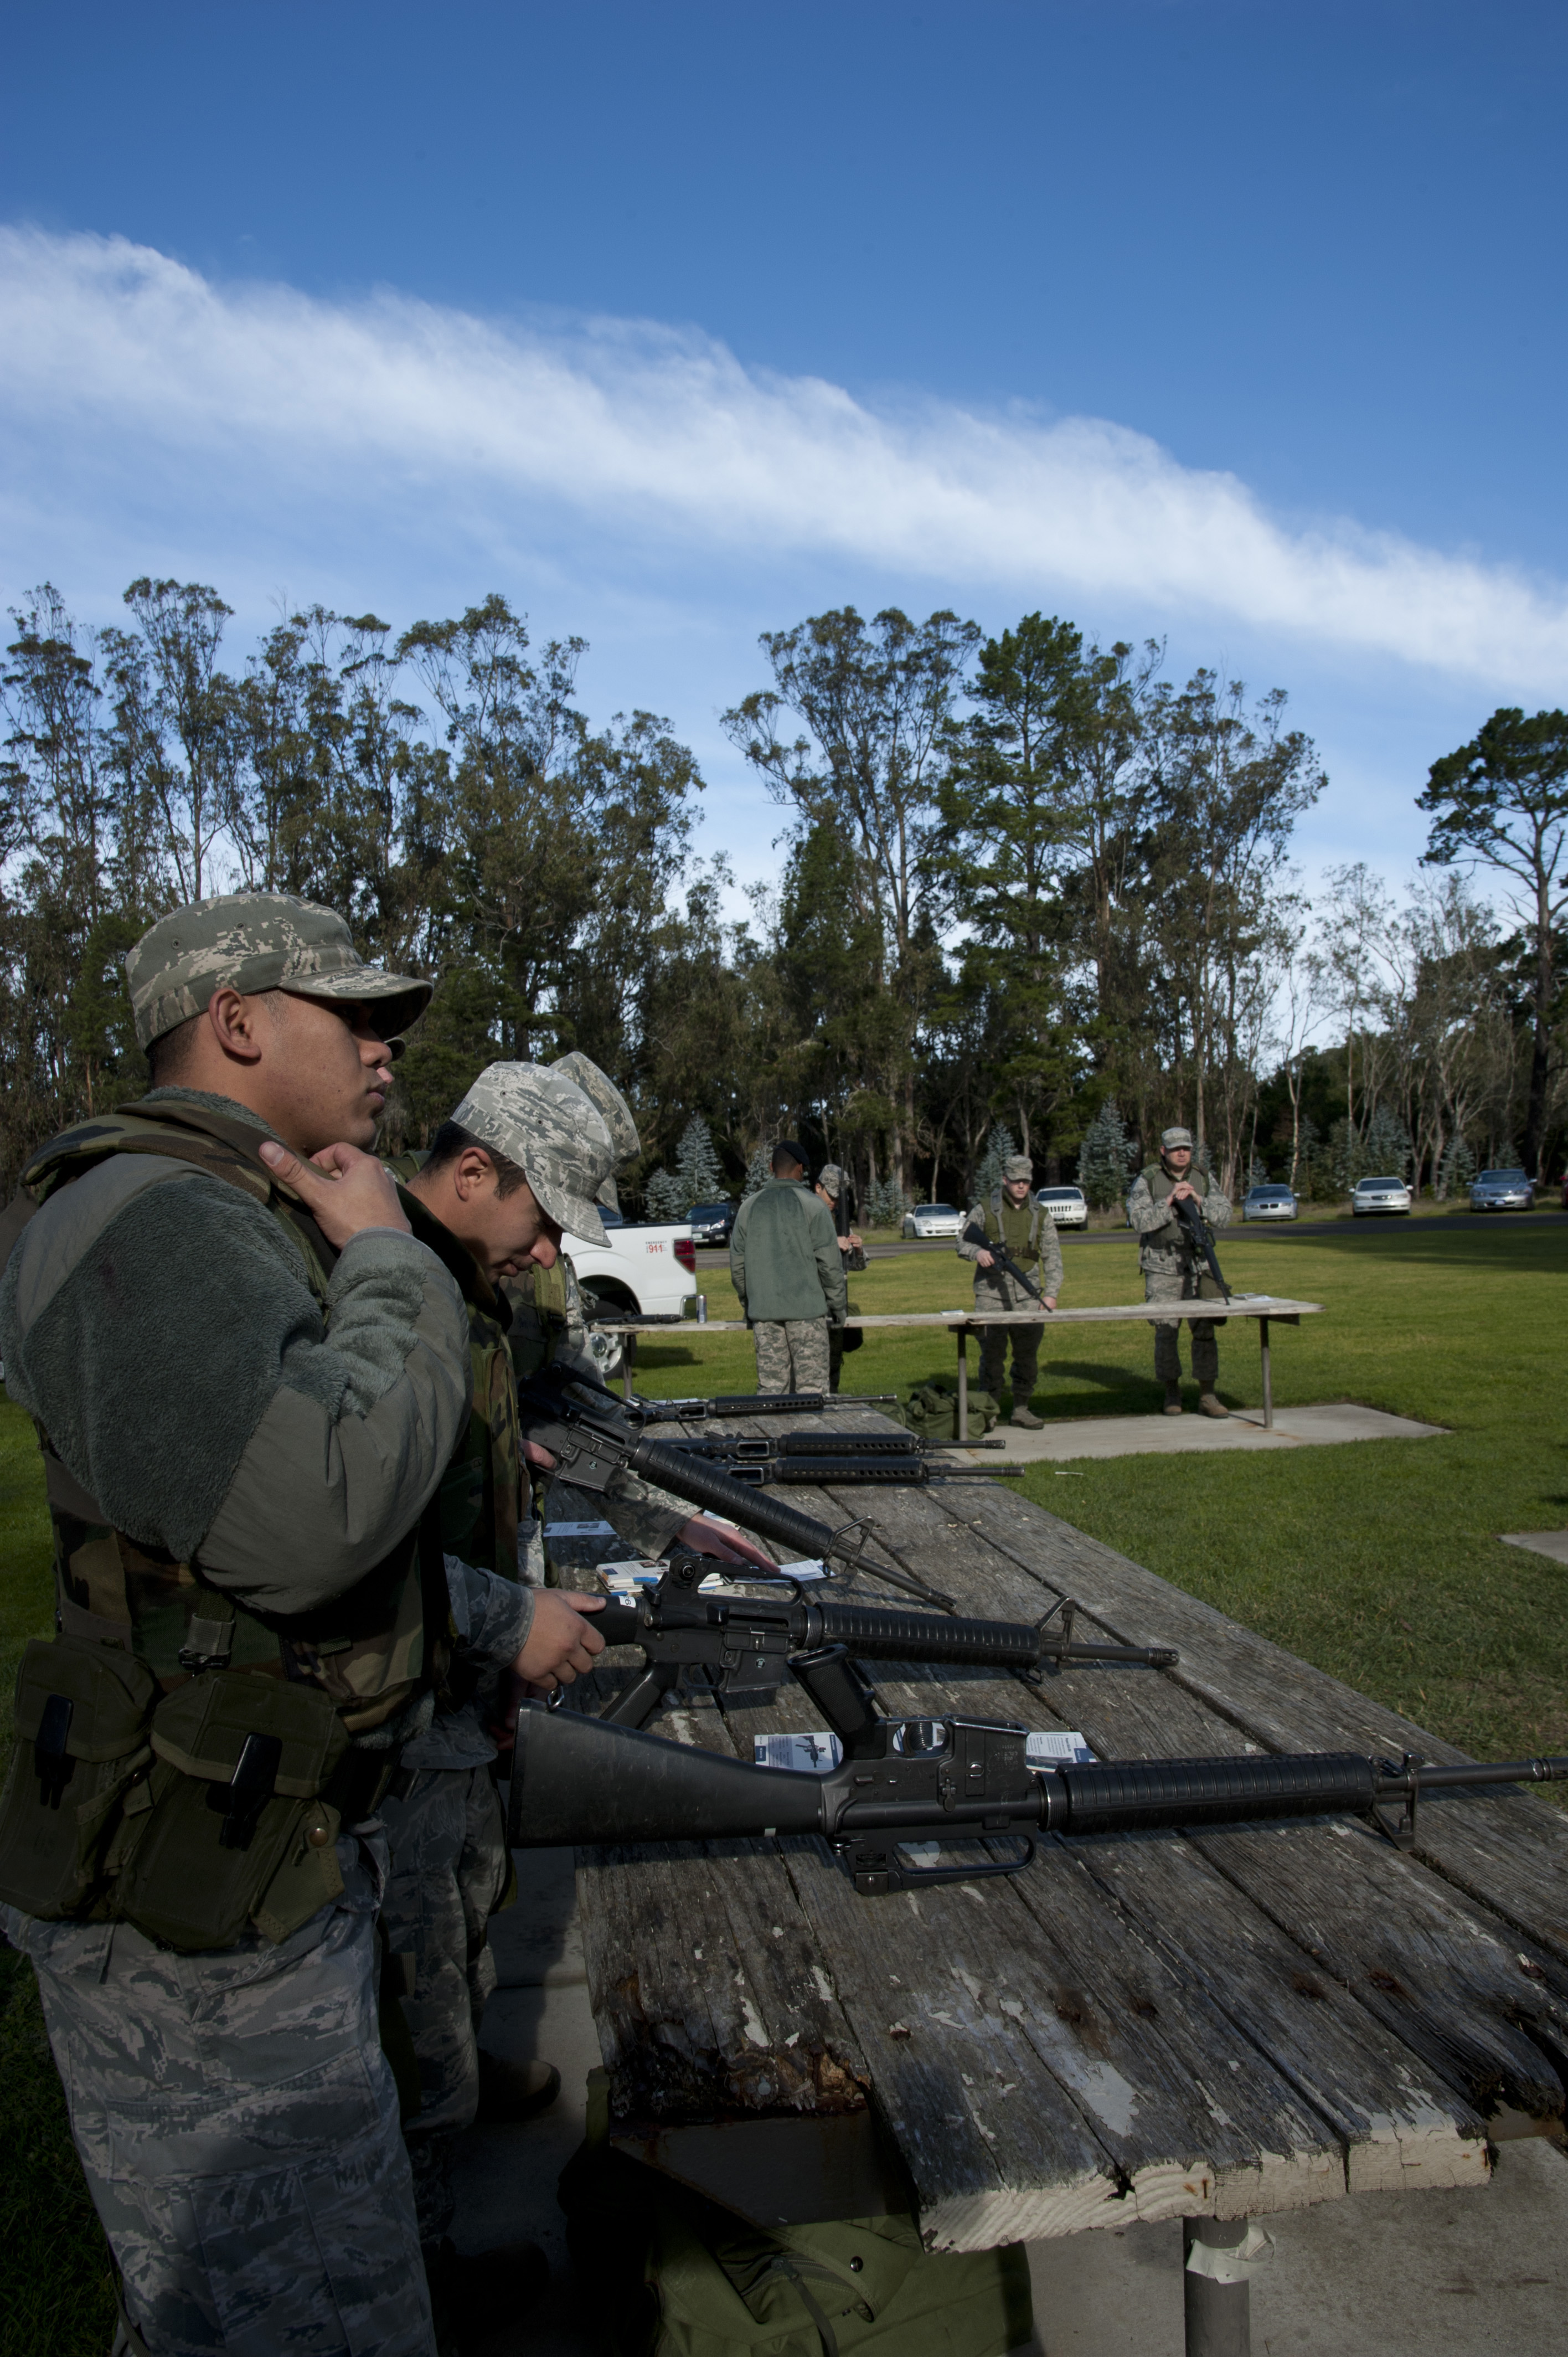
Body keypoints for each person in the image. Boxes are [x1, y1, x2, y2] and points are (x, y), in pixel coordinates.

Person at [0, 892, 600, 2357]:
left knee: (276, 2294)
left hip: (253, 1842)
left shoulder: (222, 1206)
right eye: (357, 1016)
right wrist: (389, 1260)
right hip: (202, 1909)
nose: (388, 1049)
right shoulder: (160, 1216)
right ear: (237, 1023)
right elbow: (318, 1514)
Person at [383, 1062, 615, 2289]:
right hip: (400, 1709)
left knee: (465, 1922)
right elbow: (345, 1534)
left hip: (455, 1689)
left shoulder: (454, 1279)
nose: (548, 1251)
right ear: (473, 1173)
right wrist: (507, 1618)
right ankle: (421, 2276)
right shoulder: (388, 1276)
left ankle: (462, 2086)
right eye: (544, 1217)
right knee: (411, 1986)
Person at [1126, 1125, 1232, 1417]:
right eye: (1175, 1149)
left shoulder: (1203, 1177)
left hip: (1199, 1265)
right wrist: (1170, 1201)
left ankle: (1207, 1396)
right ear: (1164, 1152)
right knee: (1166, 1332)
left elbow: (1225, 1216)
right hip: (1163, 1266)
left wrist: (1198, 1200)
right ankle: (1172, 1392)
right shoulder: (1148, 1180)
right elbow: (1139, 1221)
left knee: (1205, 1331)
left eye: (1186, 1148)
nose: (1182, 1153)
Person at [729, 1141, 847, 1393]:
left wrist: (750, 1305)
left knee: (771, 1394)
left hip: (765, 1316)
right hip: (808, 1316)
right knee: (813, 1393)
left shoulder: (748, 1207)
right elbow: (830, 1266)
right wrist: (838, 1306)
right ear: (801, 1169)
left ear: (772, 1167)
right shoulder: (814, 1206)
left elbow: (738, 1268)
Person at [956, 1152, 1062, 1429]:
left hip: (1029, 1294)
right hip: (991, 1294)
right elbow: (961, 1241)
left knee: (1027, 1356)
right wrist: (978, 1252)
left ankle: (1021, 1408)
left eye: (1026, 1181)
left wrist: (1051, 1294)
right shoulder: (985, 1209)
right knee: (992, 1356)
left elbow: (1053, 1256)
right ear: (1005, 1180)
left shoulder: (1040, 1214)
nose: (1021, 1186)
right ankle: (989, 1410)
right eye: (1016, 1181)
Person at [813, 1164, 864, 1392]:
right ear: (818, 1188)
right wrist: (831, 1244)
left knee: (833, 1366)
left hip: (835, 1304)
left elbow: (856, 1265)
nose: (834, 1201)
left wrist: (858, 1250)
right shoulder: (806, 1215)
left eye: (838, 1197)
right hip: (812, 1306)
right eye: (831, 1195)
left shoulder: (838, 1220)